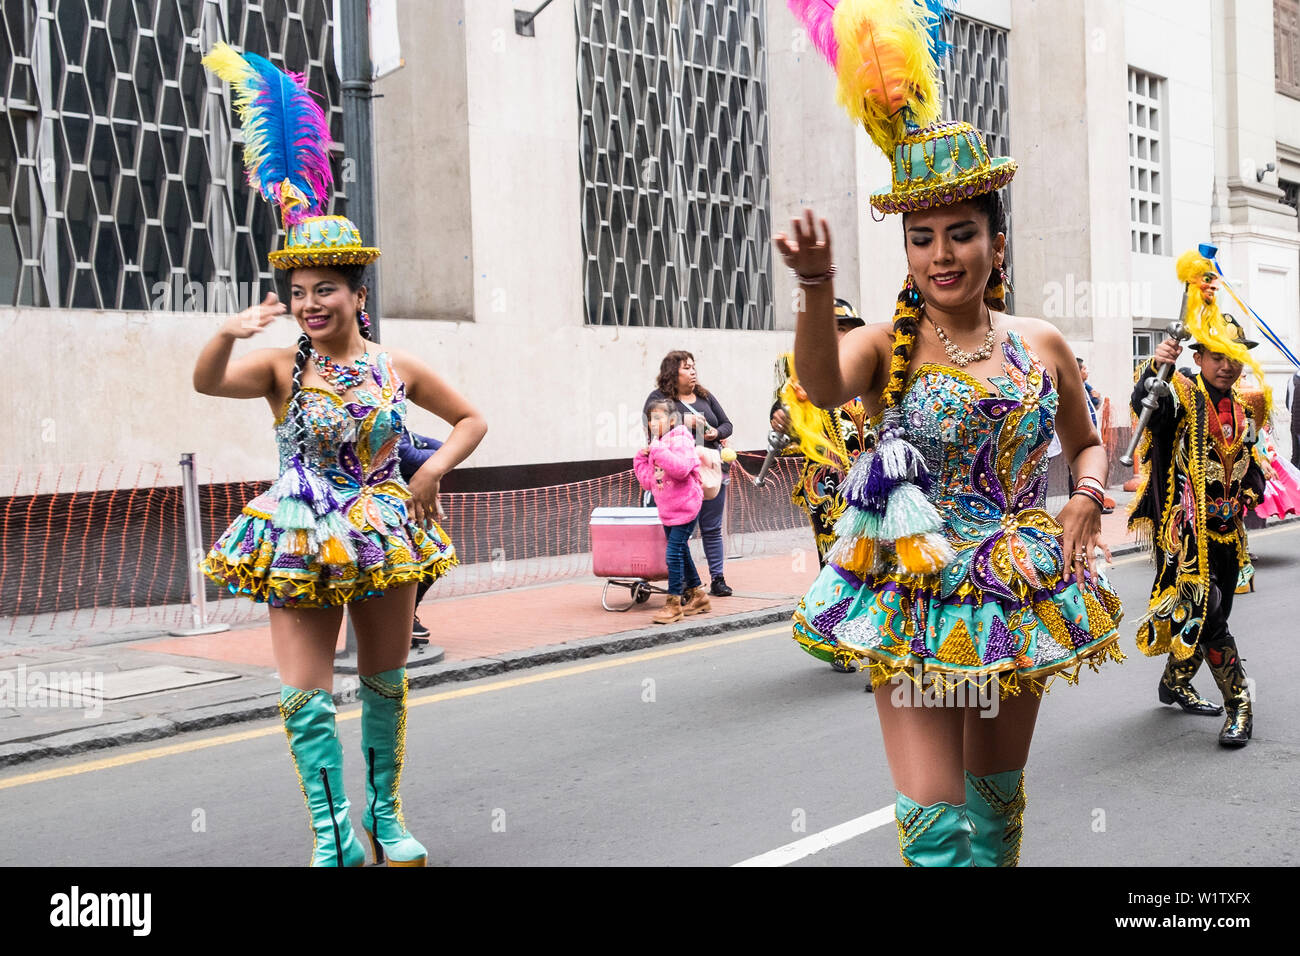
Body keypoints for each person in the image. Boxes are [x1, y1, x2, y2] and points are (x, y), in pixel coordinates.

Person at [783, 0, 1122, 867]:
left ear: (996, 244)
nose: (943, 253)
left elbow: (1087, 441)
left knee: (995, 821)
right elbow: (819, 385)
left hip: (1013, 589)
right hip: (915, 595)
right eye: (922, 237)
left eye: (962, 233)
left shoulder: (1040, 342)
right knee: (936, 835)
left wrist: (1086, 498)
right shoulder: (883, 345)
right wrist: (818, 285)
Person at [196, 45, 487, 866]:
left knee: (386, 683)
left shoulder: (397, 366)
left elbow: (471, 420)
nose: (310, 304)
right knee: (305, 694)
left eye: (326, 288)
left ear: (358, 292)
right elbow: (208, 382)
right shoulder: (280, 365)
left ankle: (385, 819)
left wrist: (431, 471)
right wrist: (223, 332)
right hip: (300, 531)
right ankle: (333, 837)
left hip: (385, 527)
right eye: (299, 292)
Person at [1129, 293, 1267, 748]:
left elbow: (1253, 463)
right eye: (1216, 356)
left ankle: (1174, 682)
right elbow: (1149, 402)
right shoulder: (1183, 395)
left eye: (1234, 358)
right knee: (1210, 621)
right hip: (1188, 539)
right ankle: (1240, 704)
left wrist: (1250, 492)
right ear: (1198, 356)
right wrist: (1156, 368)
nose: (1226, 366)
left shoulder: (1245, 410)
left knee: (1212, 614)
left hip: (1228, 537)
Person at [771, 299, 871, 673]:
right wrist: (781, 419)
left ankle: (878, 639)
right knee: (838, 566)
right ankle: (843, 642)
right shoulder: (802, 378)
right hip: (828, 491)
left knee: (881, 565)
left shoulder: (872, 369)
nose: (840, 336)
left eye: (845, 328)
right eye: (834, 329)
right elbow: (782, 416)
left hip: (875, 487)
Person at [643, 353, 735, 596]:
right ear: (673, 372)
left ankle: (717, 578)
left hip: (711, 468)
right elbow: (651, 423)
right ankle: (686, 582)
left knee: (712, 526)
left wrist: (714, 433)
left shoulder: (705, 396)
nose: (693, 371)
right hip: (678, 474)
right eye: (686, 368)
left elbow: (727, 424)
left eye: (694, 367)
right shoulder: (659, 398)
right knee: (680, 530)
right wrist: (687, 421)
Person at [633, 400, 710, 624]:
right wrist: (640, 459)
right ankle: (698, 595)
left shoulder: (681, 439)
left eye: (658, 418)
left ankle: (673, 602)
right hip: (668, 509)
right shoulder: (658, 445)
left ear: (672, 420)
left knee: (673, 553)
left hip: (686, 505)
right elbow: (649, 481)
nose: (653, 423)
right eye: (650, 419)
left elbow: (682, 469)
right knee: (681, 551)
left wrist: (658, 450)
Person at [396, 429, 444, 645]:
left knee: (437, 557)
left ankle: (406, 616)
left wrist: (428, 467)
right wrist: (428, 461)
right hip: (392, 507)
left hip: (412, 510)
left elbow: (443, 449)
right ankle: (400, 621)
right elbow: (408, 458)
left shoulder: (399, 423)